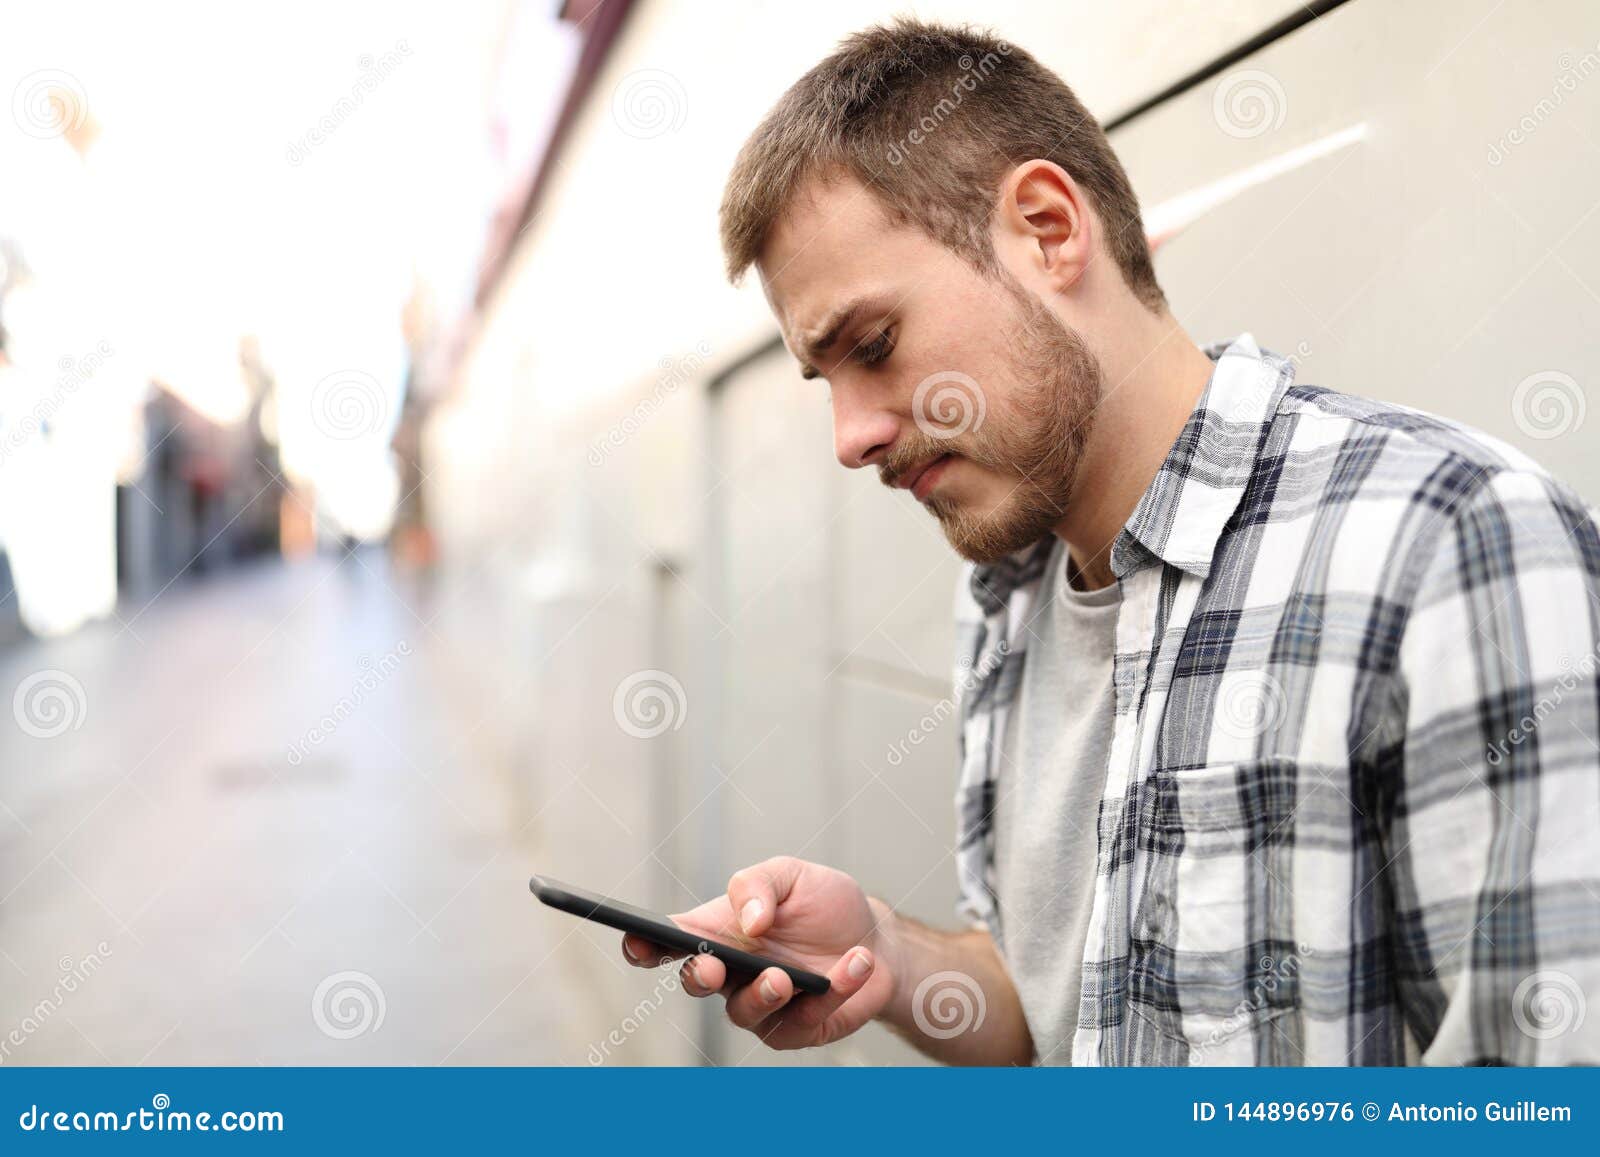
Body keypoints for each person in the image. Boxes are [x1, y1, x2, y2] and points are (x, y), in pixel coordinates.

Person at [622, 17, 1600, 1065]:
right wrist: (891, 954)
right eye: (828, 379)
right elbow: (1060, 1008)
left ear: (1048, 228)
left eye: (874, 345)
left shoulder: (1450, 543)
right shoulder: (1006, 591)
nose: (850, 436)